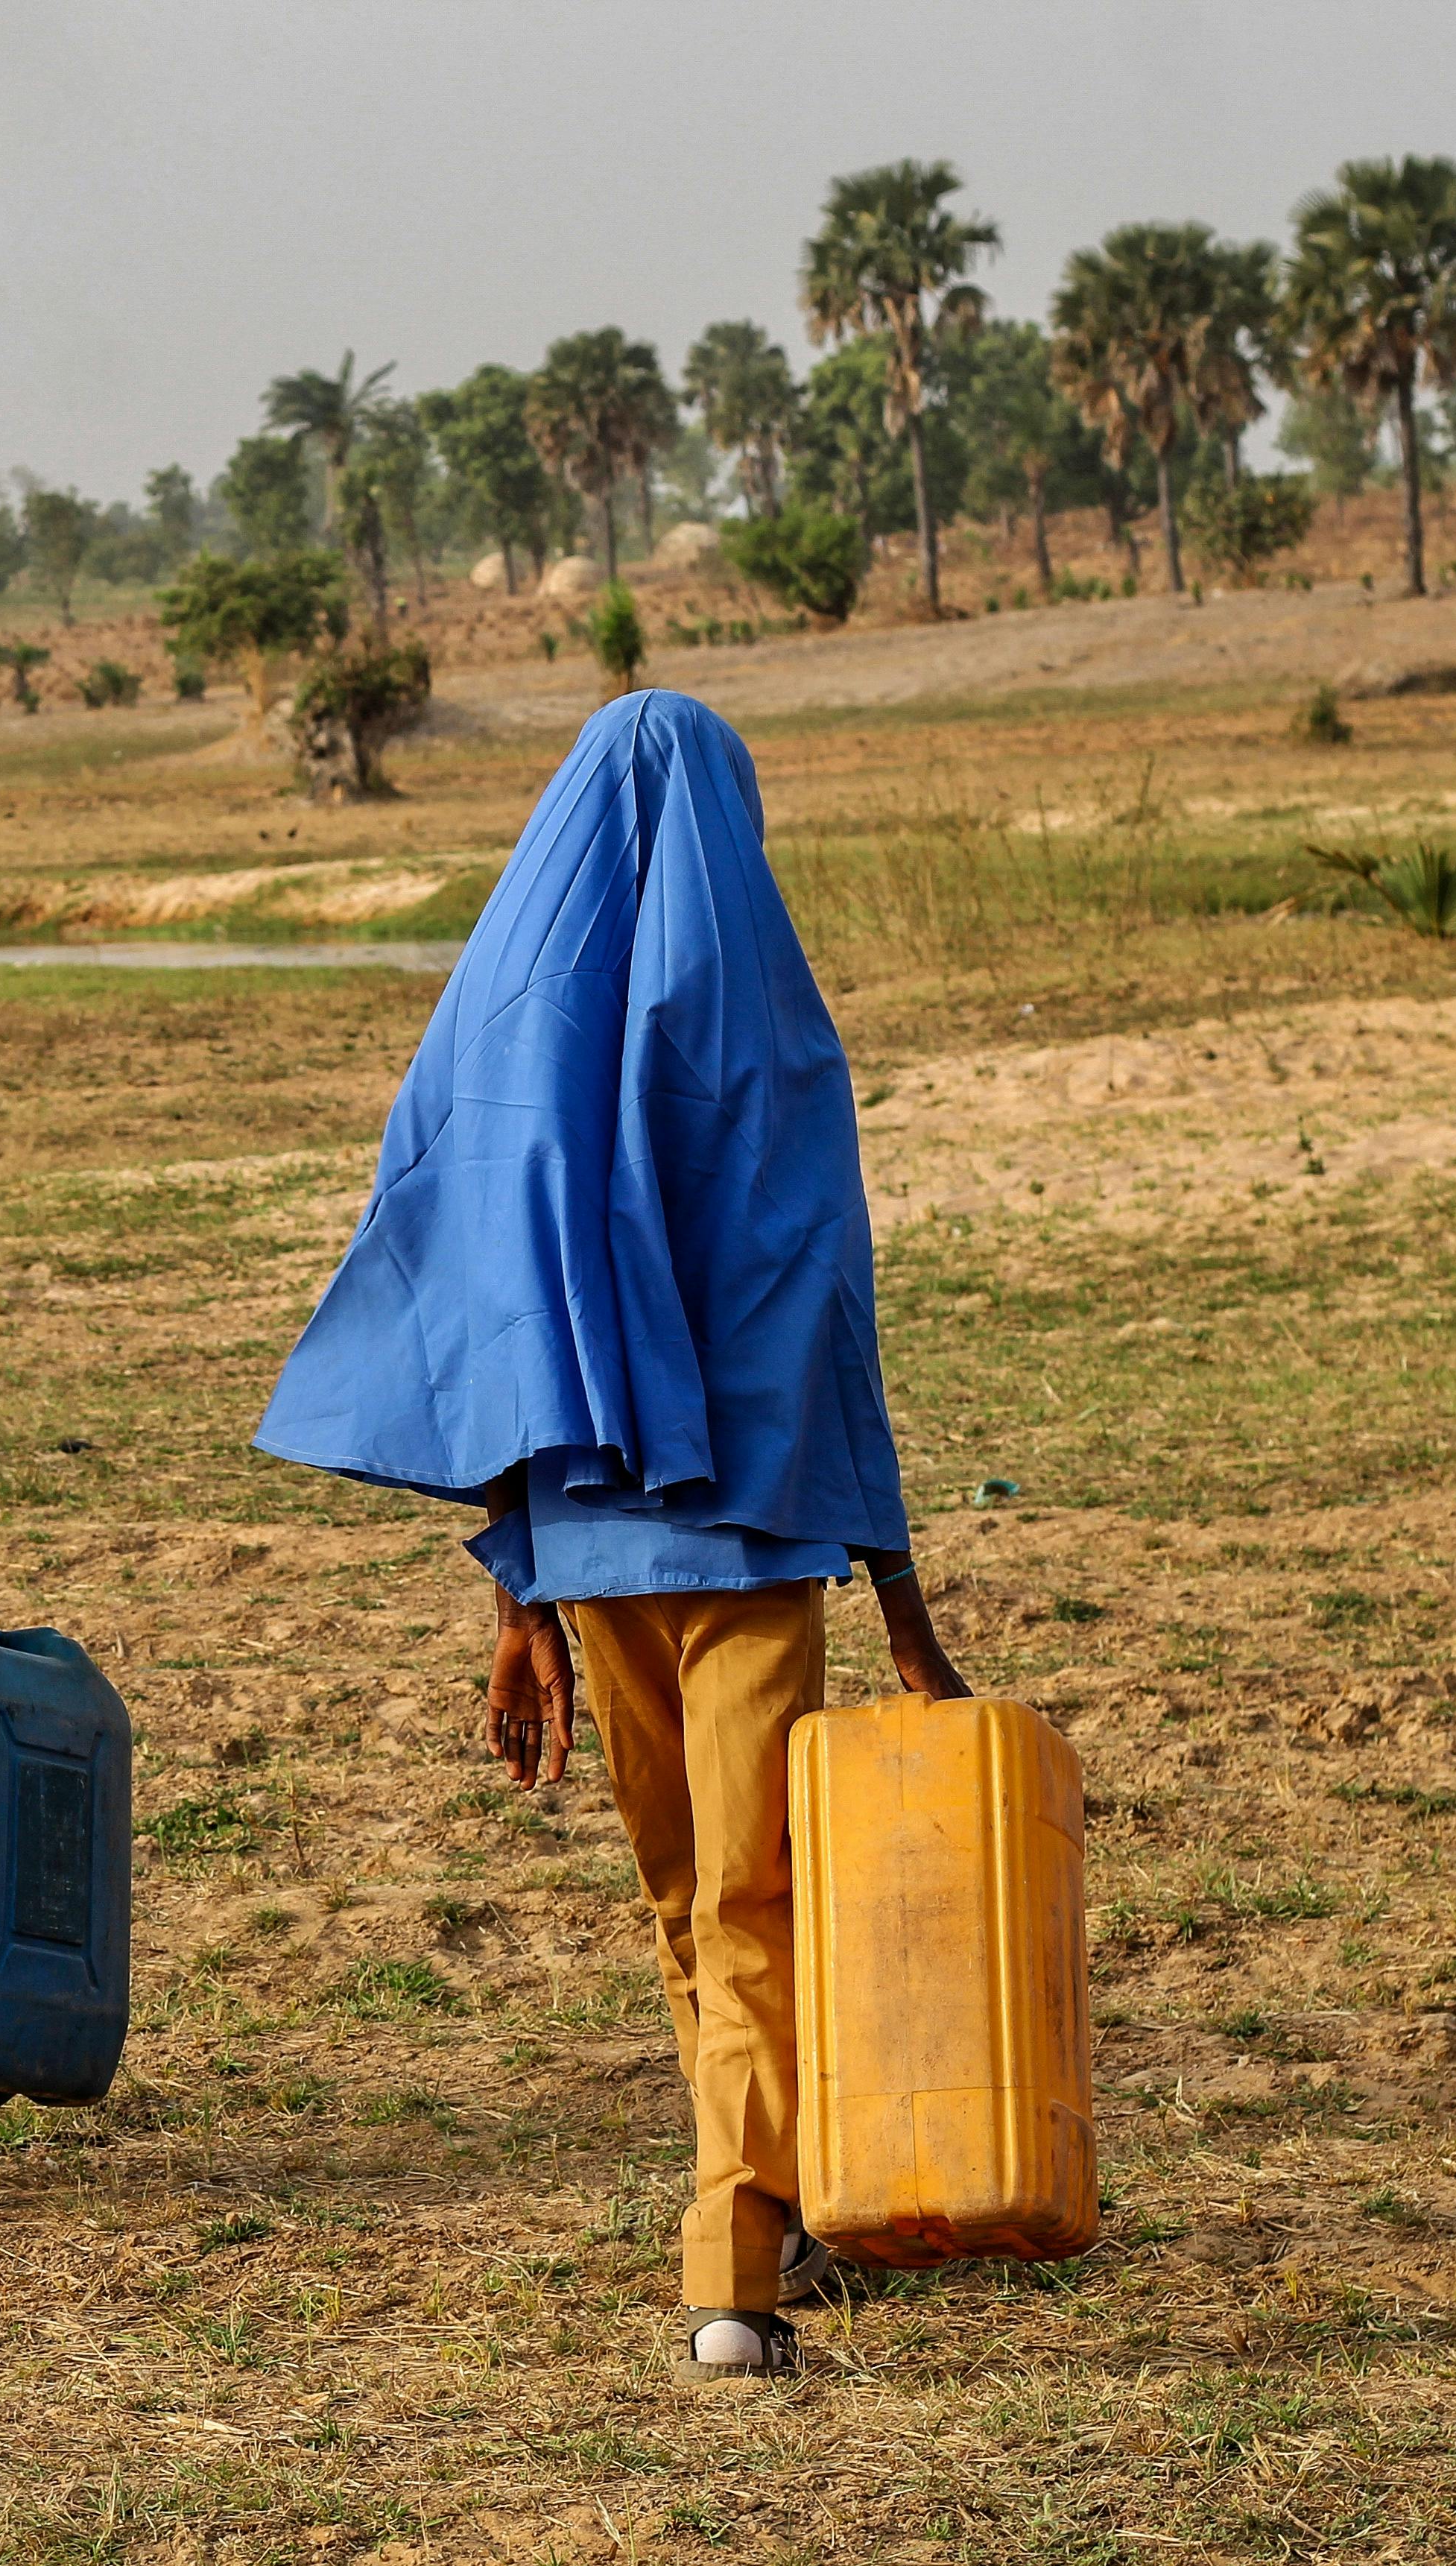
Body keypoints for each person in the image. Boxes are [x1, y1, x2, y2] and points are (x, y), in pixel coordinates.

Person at [253, 691, 968, 2383]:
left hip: (581, 1546)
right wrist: (909, 1619)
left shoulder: (502, 1037)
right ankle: (742, 2266)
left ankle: (760, 2200)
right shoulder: (771, 1042)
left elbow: (481, 1308)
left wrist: (517, 1595)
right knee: (745, 1900)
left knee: (691, 1898)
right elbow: (828, 1330)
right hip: (747, 1542)